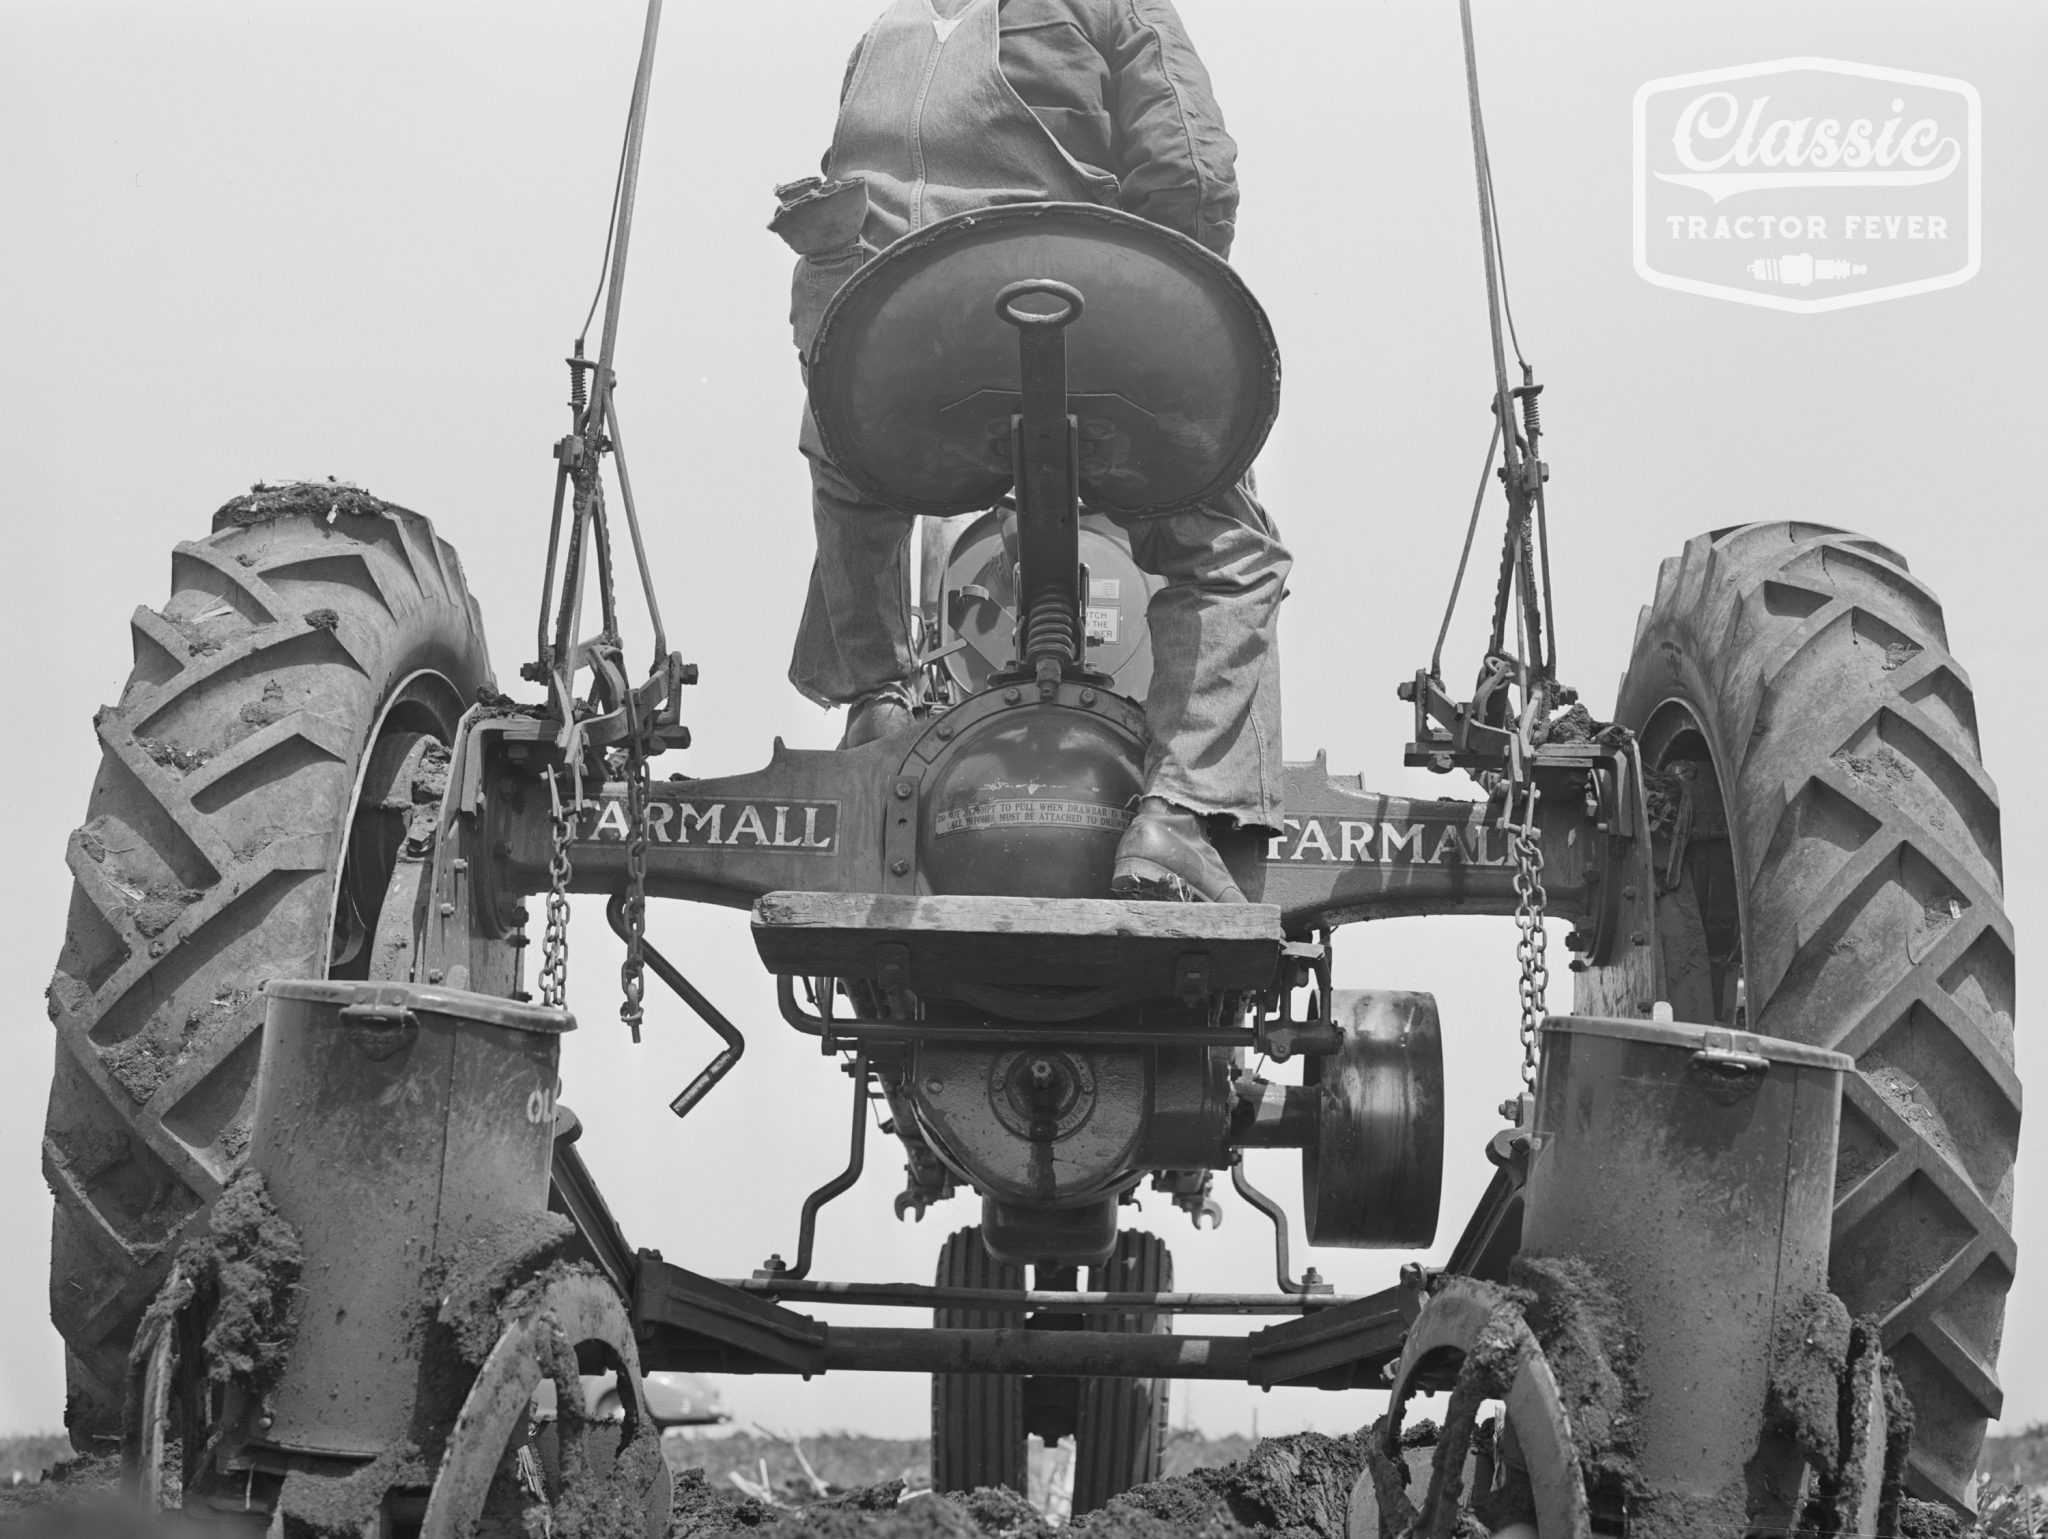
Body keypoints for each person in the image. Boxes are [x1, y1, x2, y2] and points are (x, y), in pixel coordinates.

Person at [771, 0, 1288, 904]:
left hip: (906, 357)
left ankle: (877, 706)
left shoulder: (881, 37)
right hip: (1072, 312)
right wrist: (1165, 318)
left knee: (845, 451)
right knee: (1229, 546)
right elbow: (1194, 173)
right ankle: (1181, 813)